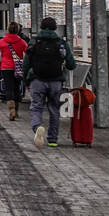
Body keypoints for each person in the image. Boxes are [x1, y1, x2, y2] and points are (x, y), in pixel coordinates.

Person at [24, 16, 76, 148]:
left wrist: (26, 80)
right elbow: (71, 64)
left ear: (41, 27)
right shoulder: (61, 43)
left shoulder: (34, 42)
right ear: (55, 28)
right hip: (56, 81)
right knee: (54, 109)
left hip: (37, 80)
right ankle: (53, 139)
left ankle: (37, 128)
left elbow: (26, 63)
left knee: (36, 106)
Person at [0, 22, 28, 121]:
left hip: (6, 68)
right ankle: (16, 110)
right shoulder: (22, 42)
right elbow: (27, 56)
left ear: (8, 29)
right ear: (18, 30)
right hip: (18, 68)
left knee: (8, 88)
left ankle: (11, 109)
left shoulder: (2, 42)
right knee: (17, 88)